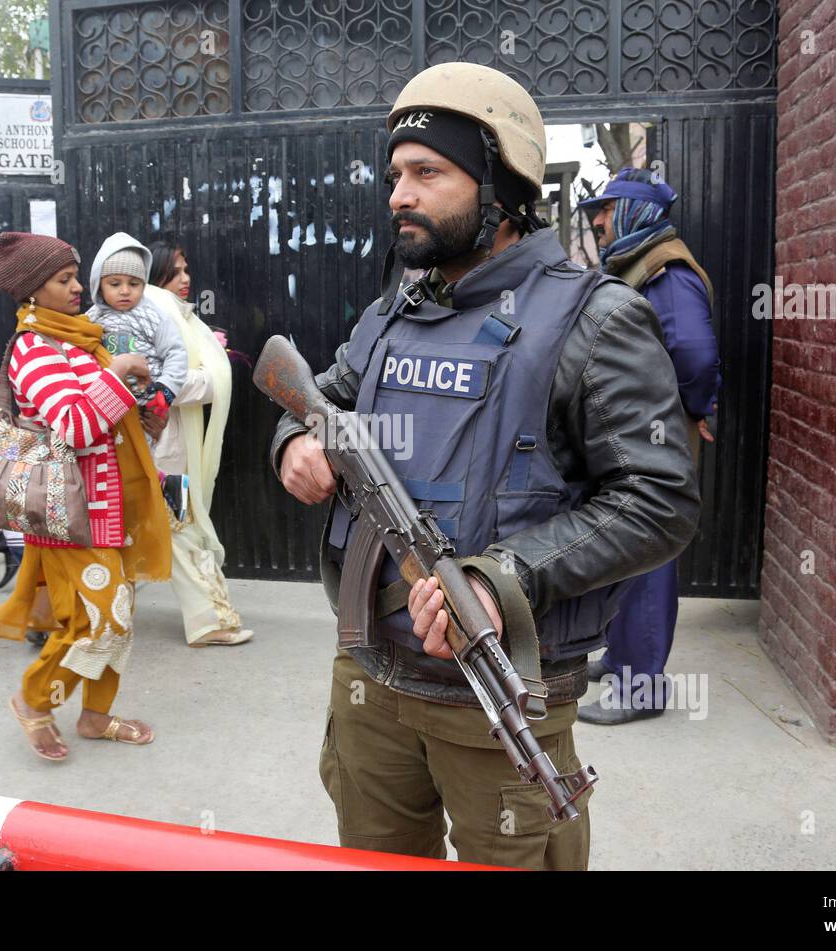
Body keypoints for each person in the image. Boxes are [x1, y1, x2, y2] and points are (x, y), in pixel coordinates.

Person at [270, 62, 700, 869]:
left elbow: (660, 501)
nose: (400, 193)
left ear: (501, 185)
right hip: (368, 679)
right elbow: (312, 399)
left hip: (503, 700)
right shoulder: (396, 307)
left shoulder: (597, 318)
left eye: (428, 172)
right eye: (395, 173)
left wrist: (505, 579)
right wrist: (294, 445)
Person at [0, 232, 171, 761]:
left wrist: (140, 405)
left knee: (116, 611)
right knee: (99, 616)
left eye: (73, 277)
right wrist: (117, 373)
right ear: (31, 290)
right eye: (62, 280)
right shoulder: (34, 348)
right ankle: (34, 699)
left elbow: (101, 412)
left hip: (105, 503)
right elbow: (75, 427)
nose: (74, 287)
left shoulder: (77, 338)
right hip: (70, 509)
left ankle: (95, 715)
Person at [575, 168, 722, 725]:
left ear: (636, 212)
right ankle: (621, 659)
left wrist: (696, 405)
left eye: (607, 210)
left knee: (648, 556)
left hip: (655, 439)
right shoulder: (641, 263)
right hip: (637, 433)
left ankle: (641, 689)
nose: (597, 220)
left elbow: (696, 354)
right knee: (627, 549)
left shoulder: (666, 270)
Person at [145, 242, 252, 647]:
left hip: (163, 446)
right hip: (160, 447)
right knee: (183, 531)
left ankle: (55, 615)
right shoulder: (154, 313)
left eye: (186, 270)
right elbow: (155, 384)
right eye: (175, 271)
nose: (185, 279)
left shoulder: (167, 311)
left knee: (140, 533)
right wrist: (212, 376)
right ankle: (210, 621)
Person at [86, 232, 191, 520]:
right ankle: (159, 489)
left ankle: (155, 499)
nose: (124, 291)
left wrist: (166, 390)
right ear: (99, 284)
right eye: (114, 284)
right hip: (106, 403)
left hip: (147, 402)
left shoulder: (154, 316)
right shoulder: (91, 319)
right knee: (113, 460)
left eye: (134, 284)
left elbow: (176, 354)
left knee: (139, 454)